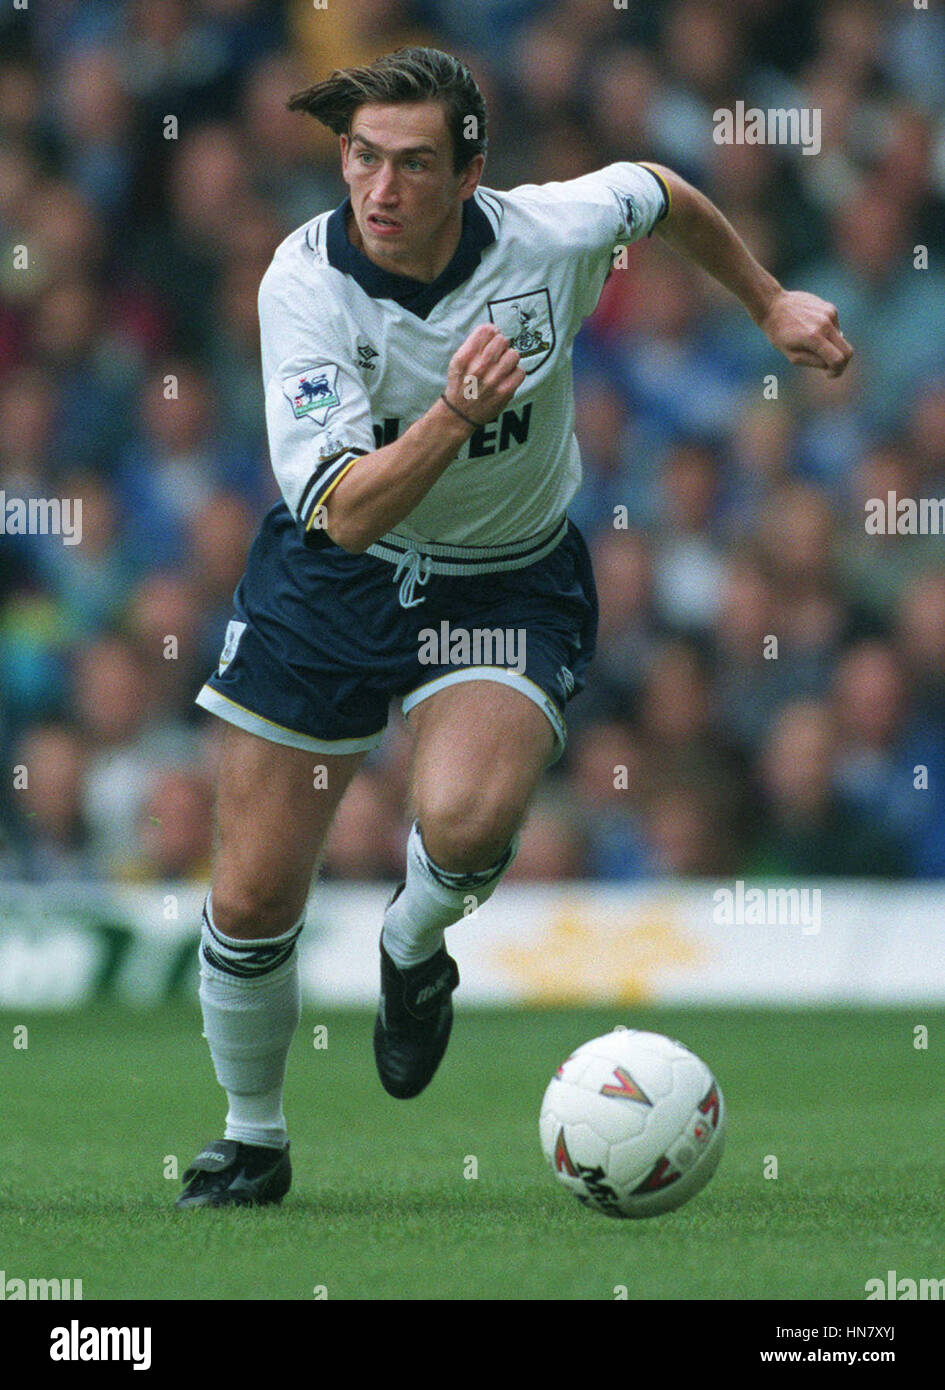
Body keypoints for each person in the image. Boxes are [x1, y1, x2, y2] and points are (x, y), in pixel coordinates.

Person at [176, 47, 852, 1208]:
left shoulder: (549, 233)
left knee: (470, 819)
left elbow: (660, 189)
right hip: (335, 577)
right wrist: (454, 413)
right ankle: (253, 1138)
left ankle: (411, 941)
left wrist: (770, 299)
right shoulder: (301, 281)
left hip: (506, 578)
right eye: (361, 159)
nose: (380, 190)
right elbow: (341, 513)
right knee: (250, 899)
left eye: (413, 165)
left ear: (471, 172)